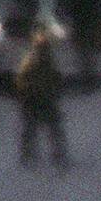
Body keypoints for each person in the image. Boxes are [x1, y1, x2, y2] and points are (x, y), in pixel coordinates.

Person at [15, 29, 69, 167]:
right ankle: (29, 156)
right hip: (35, 100)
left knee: (50, 129)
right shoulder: (31, 63)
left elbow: (56, 81)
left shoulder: (48, 64)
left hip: (44, 100)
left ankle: (57, 155)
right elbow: (22, 81)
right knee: (35, 130)